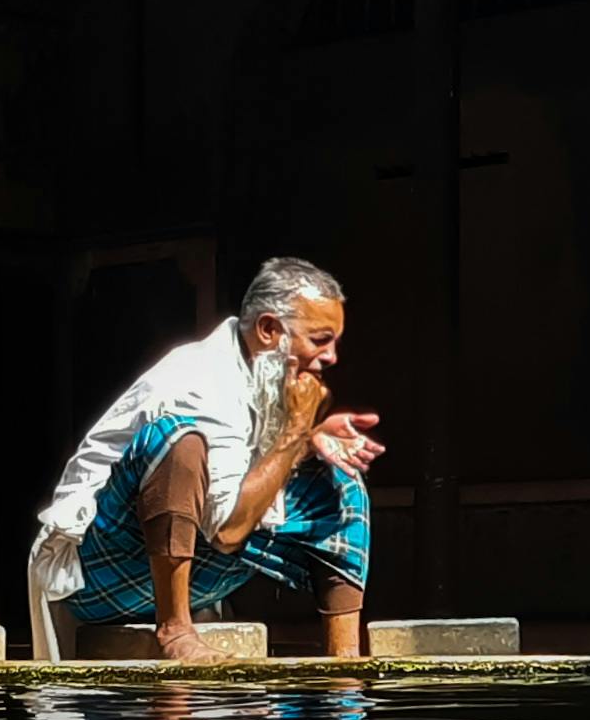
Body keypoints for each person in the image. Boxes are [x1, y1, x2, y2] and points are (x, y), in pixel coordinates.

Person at [27, 256, 382, 663]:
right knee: (180, 439)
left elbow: (251, 482)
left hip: (198, 567)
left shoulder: (267, 375)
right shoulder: (199, 380)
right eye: (320, 339)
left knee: (340, 480)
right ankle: (175, 629)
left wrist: (308, 442)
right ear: (269, 330)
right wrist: (297, 431)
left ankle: (345, 663)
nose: (332, 357)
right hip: (97, 576)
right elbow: (228, 532)